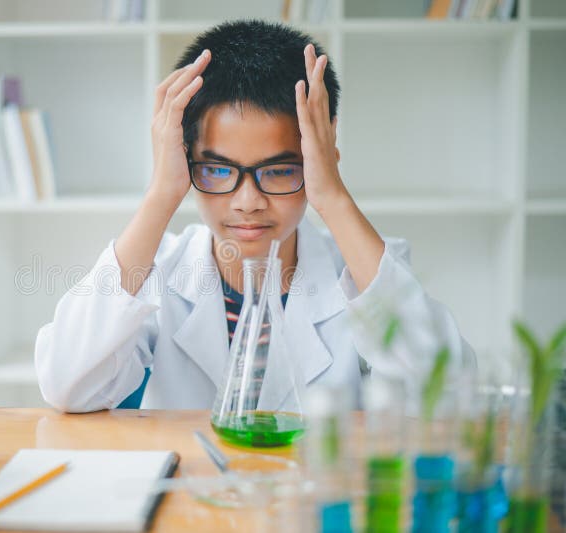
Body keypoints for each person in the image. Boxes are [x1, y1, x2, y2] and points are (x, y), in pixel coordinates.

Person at [35, 19, 474, 413]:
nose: (248, 201)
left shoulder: (363, 273)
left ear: (318, 158)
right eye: (219, 169)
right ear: (186, 162)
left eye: (281, 170)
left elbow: (449, 395)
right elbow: (66, 384)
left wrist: (335, 198)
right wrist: (160, 195)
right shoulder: (157, 272)